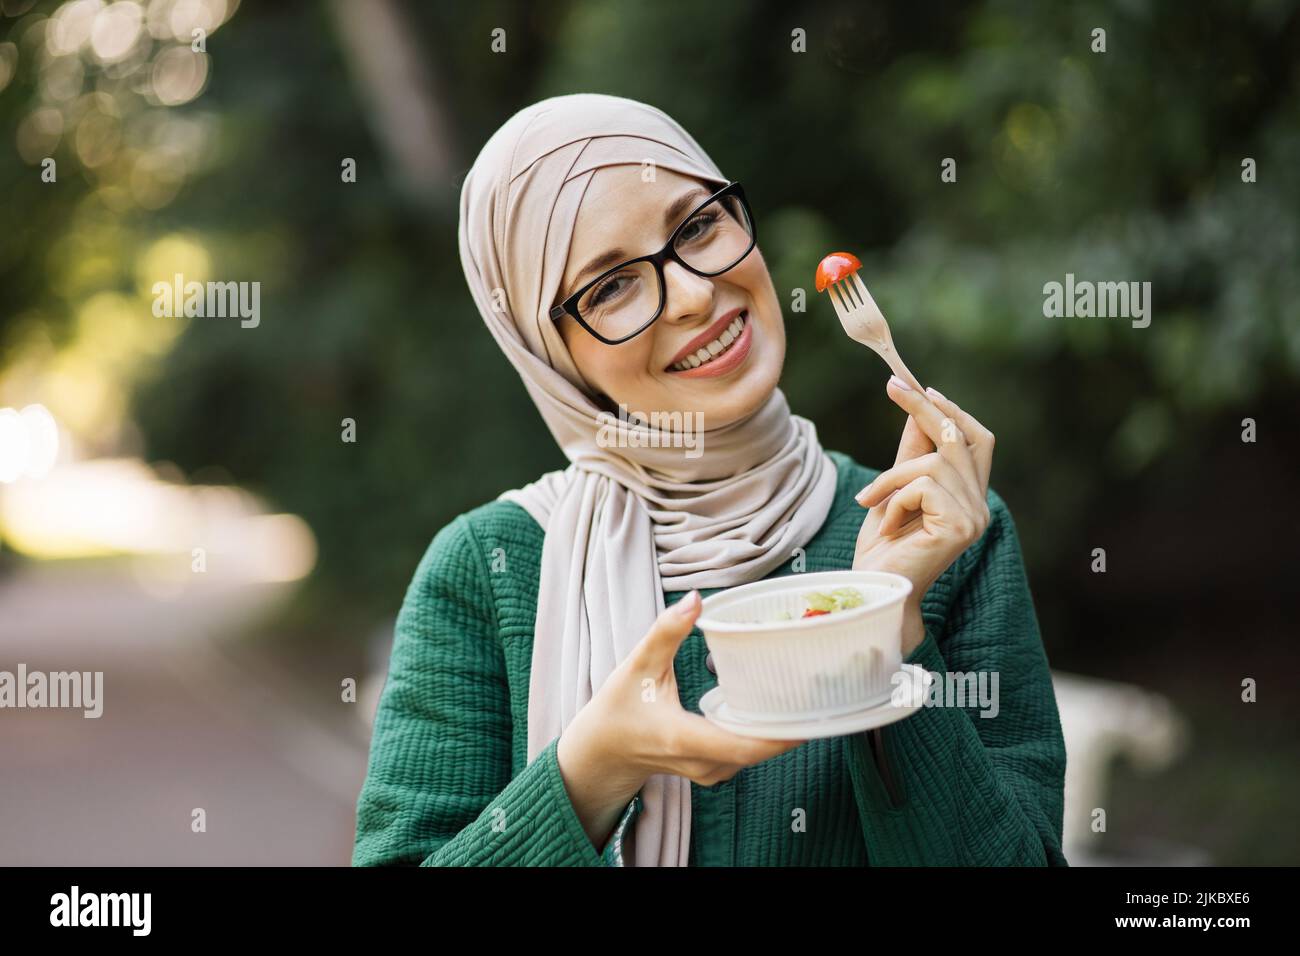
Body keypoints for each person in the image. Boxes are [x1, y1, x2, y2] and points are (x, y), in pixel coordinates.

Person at [351, 93, 1067, 867]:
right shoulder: (486, 572)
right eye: (611, 287)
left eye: (696, 227)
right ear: (550, 353)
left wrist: (884, 626)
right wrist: (592, 767)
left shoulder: (939, 531)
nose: (695, 294)